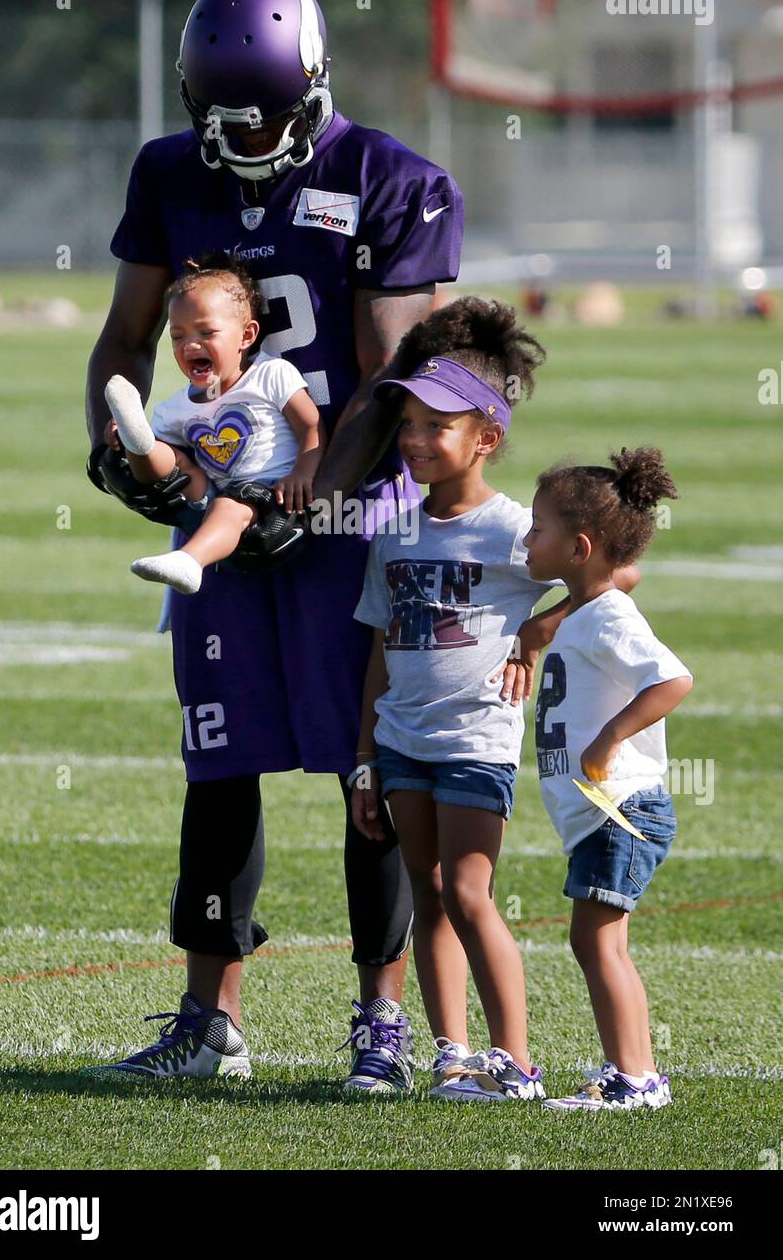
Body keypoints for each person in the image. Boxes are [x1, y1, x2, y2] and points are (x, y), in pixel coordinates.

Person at [84, 0, 475, 1088]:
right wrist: (124, 464)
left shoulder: (387, 178)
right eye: (226, 120)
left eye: (265, 116)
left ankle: (379, 1025)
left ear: (313, 85)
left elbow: (395, 374)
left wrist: (313, 496)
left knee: (373, 771)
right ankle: (210, 1024)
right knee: (221, 764)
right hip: (225, 513)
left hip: (351, 518)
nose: (245, 140)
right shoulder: (170, 171)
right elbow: (120, 344)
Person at [350, 297, 566, 1102]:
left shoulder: (516, 531)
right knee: (428, 893)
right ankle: (454, 1055)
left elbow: (610, 575)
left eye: (434, 428)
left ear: (486, 438)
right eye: (406, 425)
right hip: (401, 743)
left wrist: (535, 635)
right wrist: (366, 757)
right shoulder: (393, 531)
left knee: (470, 893)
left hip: (476, 739)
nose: (413, 441)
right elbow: (378, 644)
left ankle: (512, 1063)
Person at [523, 449, 692, 1111]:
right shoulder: (587, 606)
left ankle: (635, 1077)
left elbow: (673, 679)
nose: (526, 540)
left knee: (594, 942)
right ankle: (630, 1071)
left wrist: (608, 738)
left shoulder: (608, 617)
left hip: (620, 806)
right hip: (603, 811)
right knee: (600, 942)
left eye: (537, 529)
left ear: (578, 547)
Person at [104, 255, 324, 594]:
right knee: (174, 463)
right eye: (177, 337)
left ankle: (189, 561)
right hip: (211, 490)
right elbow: (174, 468)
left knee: (230, 505)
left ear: (247, 335)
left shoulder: (270, 374)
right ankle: (137, 441)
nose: (190, 345)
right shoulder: (177, 406)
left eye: (207, 332)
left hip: (266, 494)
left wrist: (304, 471)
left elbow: (310, 426)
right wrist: (124, 441)